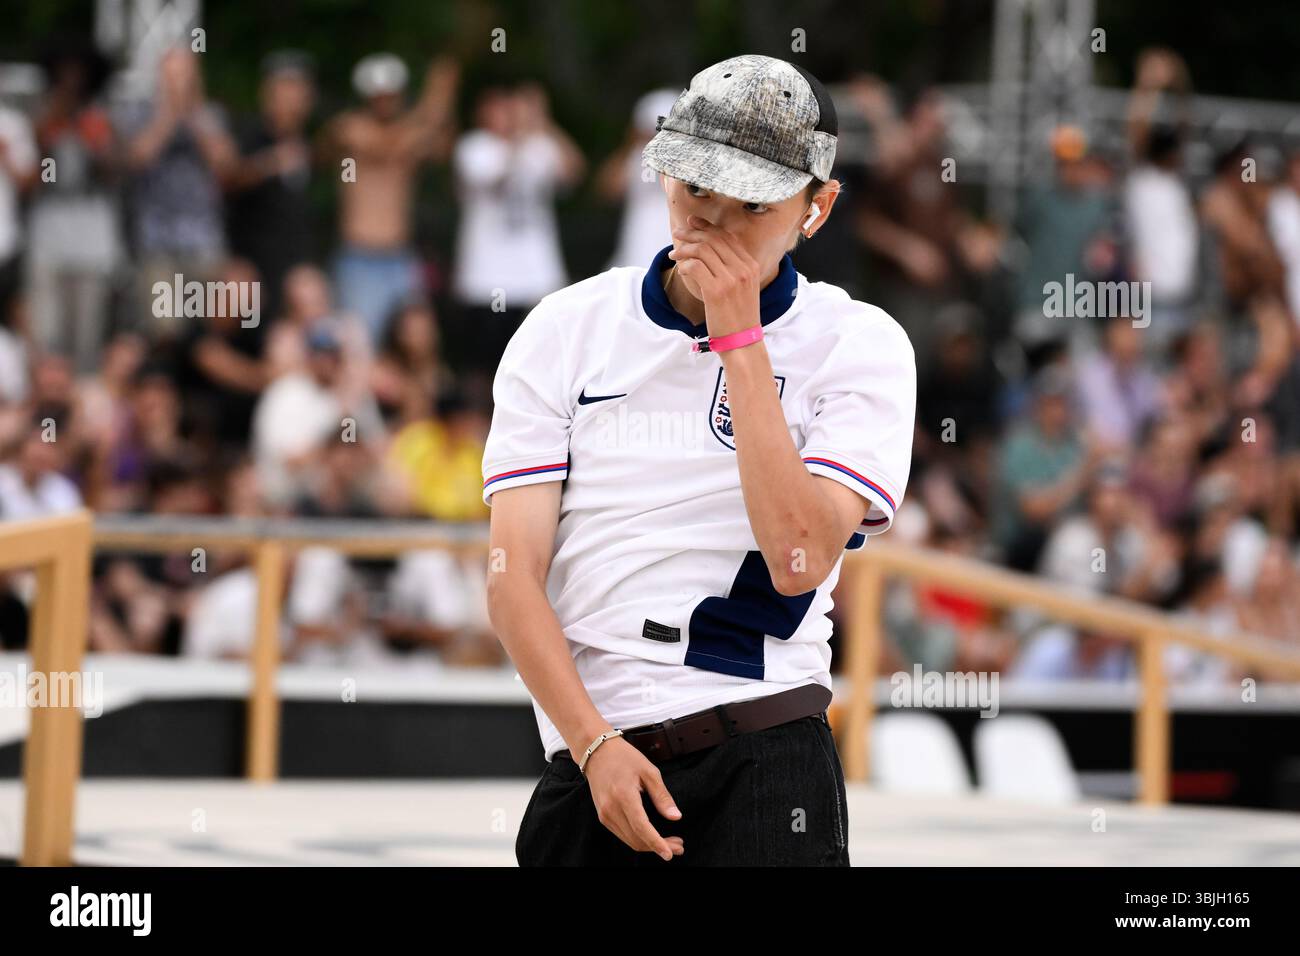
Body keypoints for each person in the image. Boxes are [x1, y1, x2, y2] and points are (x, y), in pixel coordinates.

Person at [485, 55, 915, 866]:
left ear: (816, 209)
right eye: (694, 188)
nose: (713, 222)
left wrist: (740, 341)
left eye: (752, 203)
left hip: (765, 745)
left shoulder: (859, 344)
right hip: (593, 755)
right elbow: (511, 578)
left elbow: (798, 558)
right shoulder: (564, 327)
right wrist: (593, 745)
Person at [319, 53, 459, 342]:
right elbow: (387, 146)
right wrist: (432, 104)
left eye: (392, 95)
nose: (386, 101)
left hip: (401, 257)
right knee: (359, 344)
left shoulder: (411, 134)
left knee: (418, 340)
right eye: (380, 95)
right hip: (360, 258)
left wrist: (445, 92)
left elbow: (443, 148)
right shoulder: (349, 128)